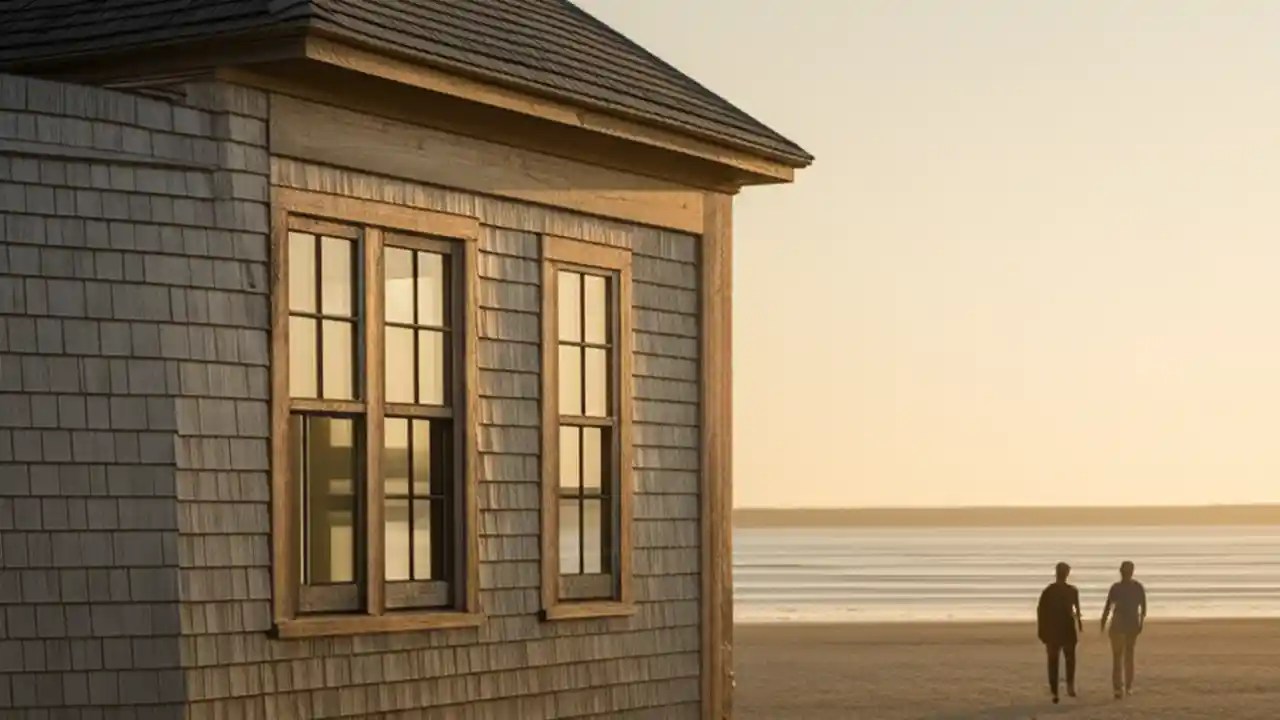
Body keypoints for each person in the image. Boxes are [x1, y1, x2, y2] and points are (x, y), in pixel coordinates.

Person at [1037, 561, 1082, 704]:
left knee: (1054, 661)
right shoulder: (1071, 591)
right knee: (1068, 660)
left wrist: (1041, 630)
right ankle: (1067, 687)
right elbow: (1077, 611)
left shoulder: (1049, 591)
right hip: (1064, 629)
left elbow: (1041, 612)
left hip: (1055, 630)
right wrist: (1079, 624)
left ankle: (1056, 690)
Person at [1101, 560, 1147, 699]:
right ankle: (1126, 687)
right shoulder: (1137, 587)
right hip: (1128, 624)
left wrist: (1103, 622)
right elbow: (1143, 608)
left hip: (1121, 624)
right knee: (1127, 656)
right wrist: (1140, 623)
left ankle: (1120, 688)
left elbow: (1108, 606)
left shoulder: (1117, 587)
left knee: (1119, 657)